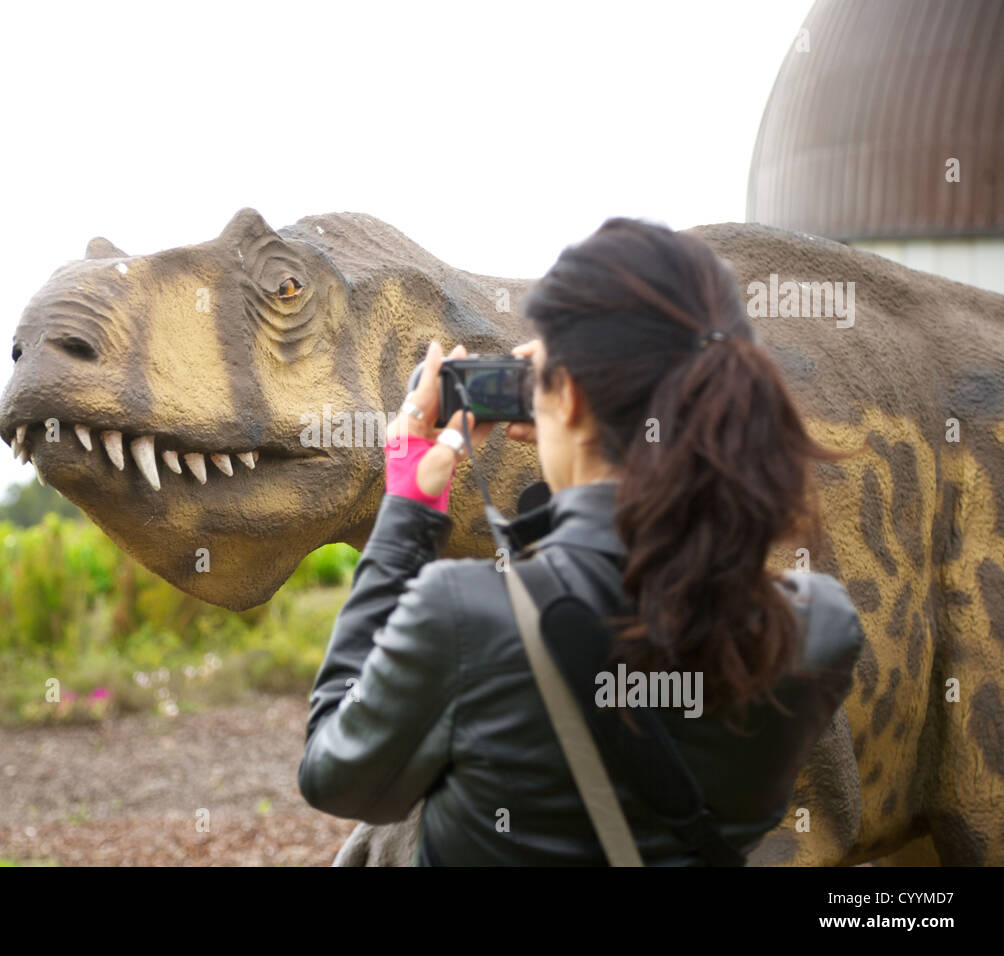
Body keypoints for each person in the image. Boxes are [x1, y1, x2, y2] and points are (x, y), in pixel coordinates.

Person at [297, 217, 865, 865]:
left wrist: (408, 506)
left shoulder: (463, 616)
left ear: (565, 397)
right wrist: (579, 422)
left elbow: (332, 772)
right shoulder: (820, 626)